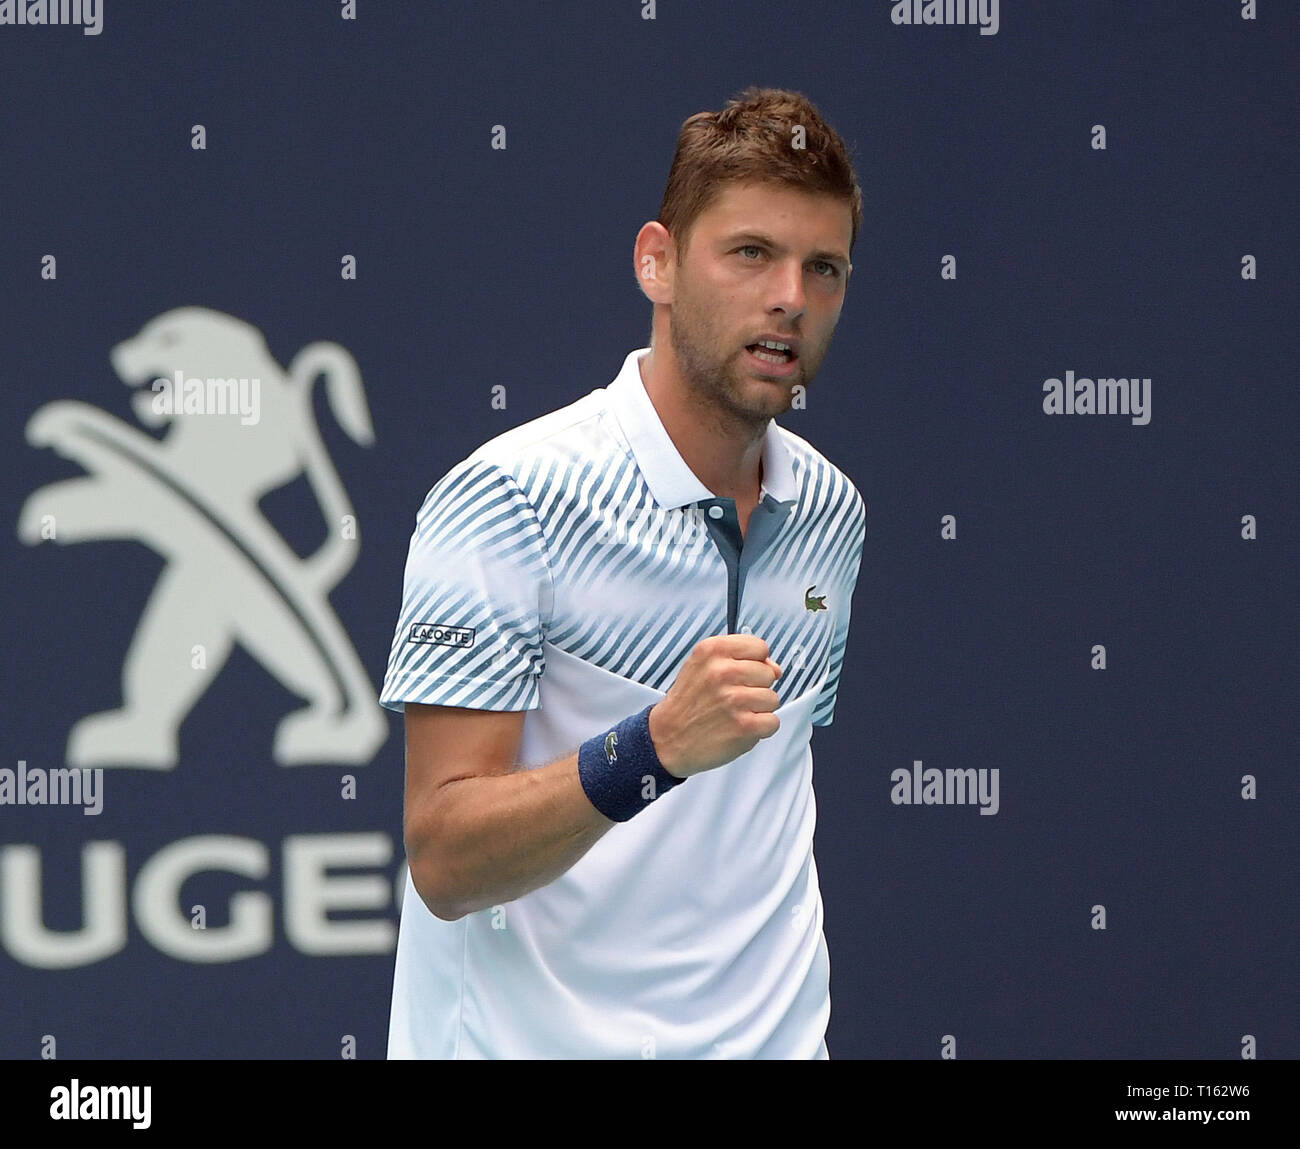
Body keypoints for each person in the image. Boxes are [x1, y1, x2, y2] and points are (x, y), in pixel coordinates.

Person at [378, 86, 866, 1059]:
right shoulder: (506, 498)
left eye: (824, 268)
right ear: (657, 262)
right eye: (750, 254)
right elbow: (443, 856)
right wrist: (652, 747)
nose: (789, 298)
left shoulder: (832, 517)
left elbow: (745, 827)